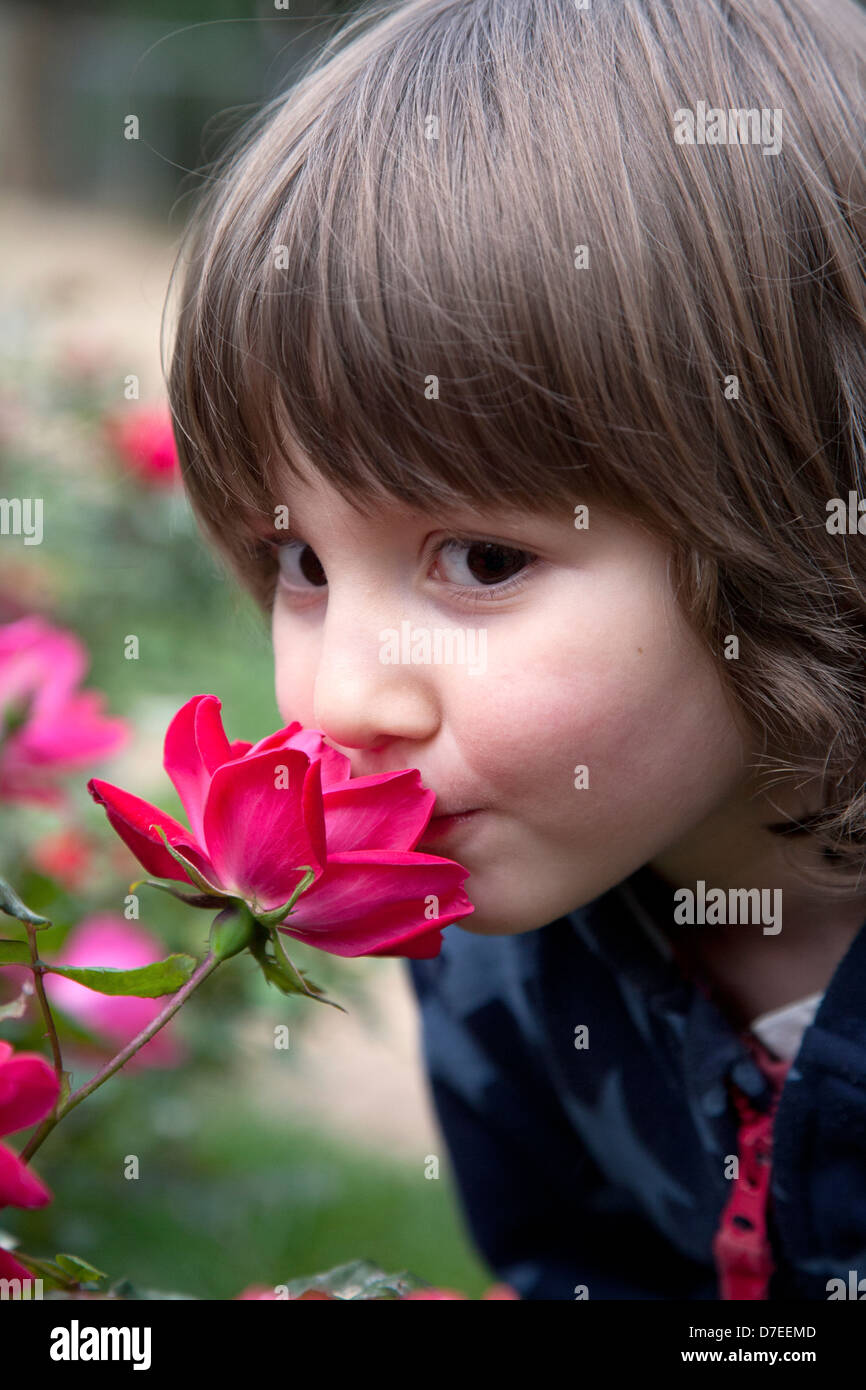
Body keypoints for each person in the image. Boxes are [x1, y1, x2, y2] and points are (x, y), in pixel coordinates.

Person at [163, 0, 866, 1298]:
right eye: (301, 562)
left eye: (481, 560)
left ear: (800, 519)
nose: (344, 696)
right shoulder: (498, 948)